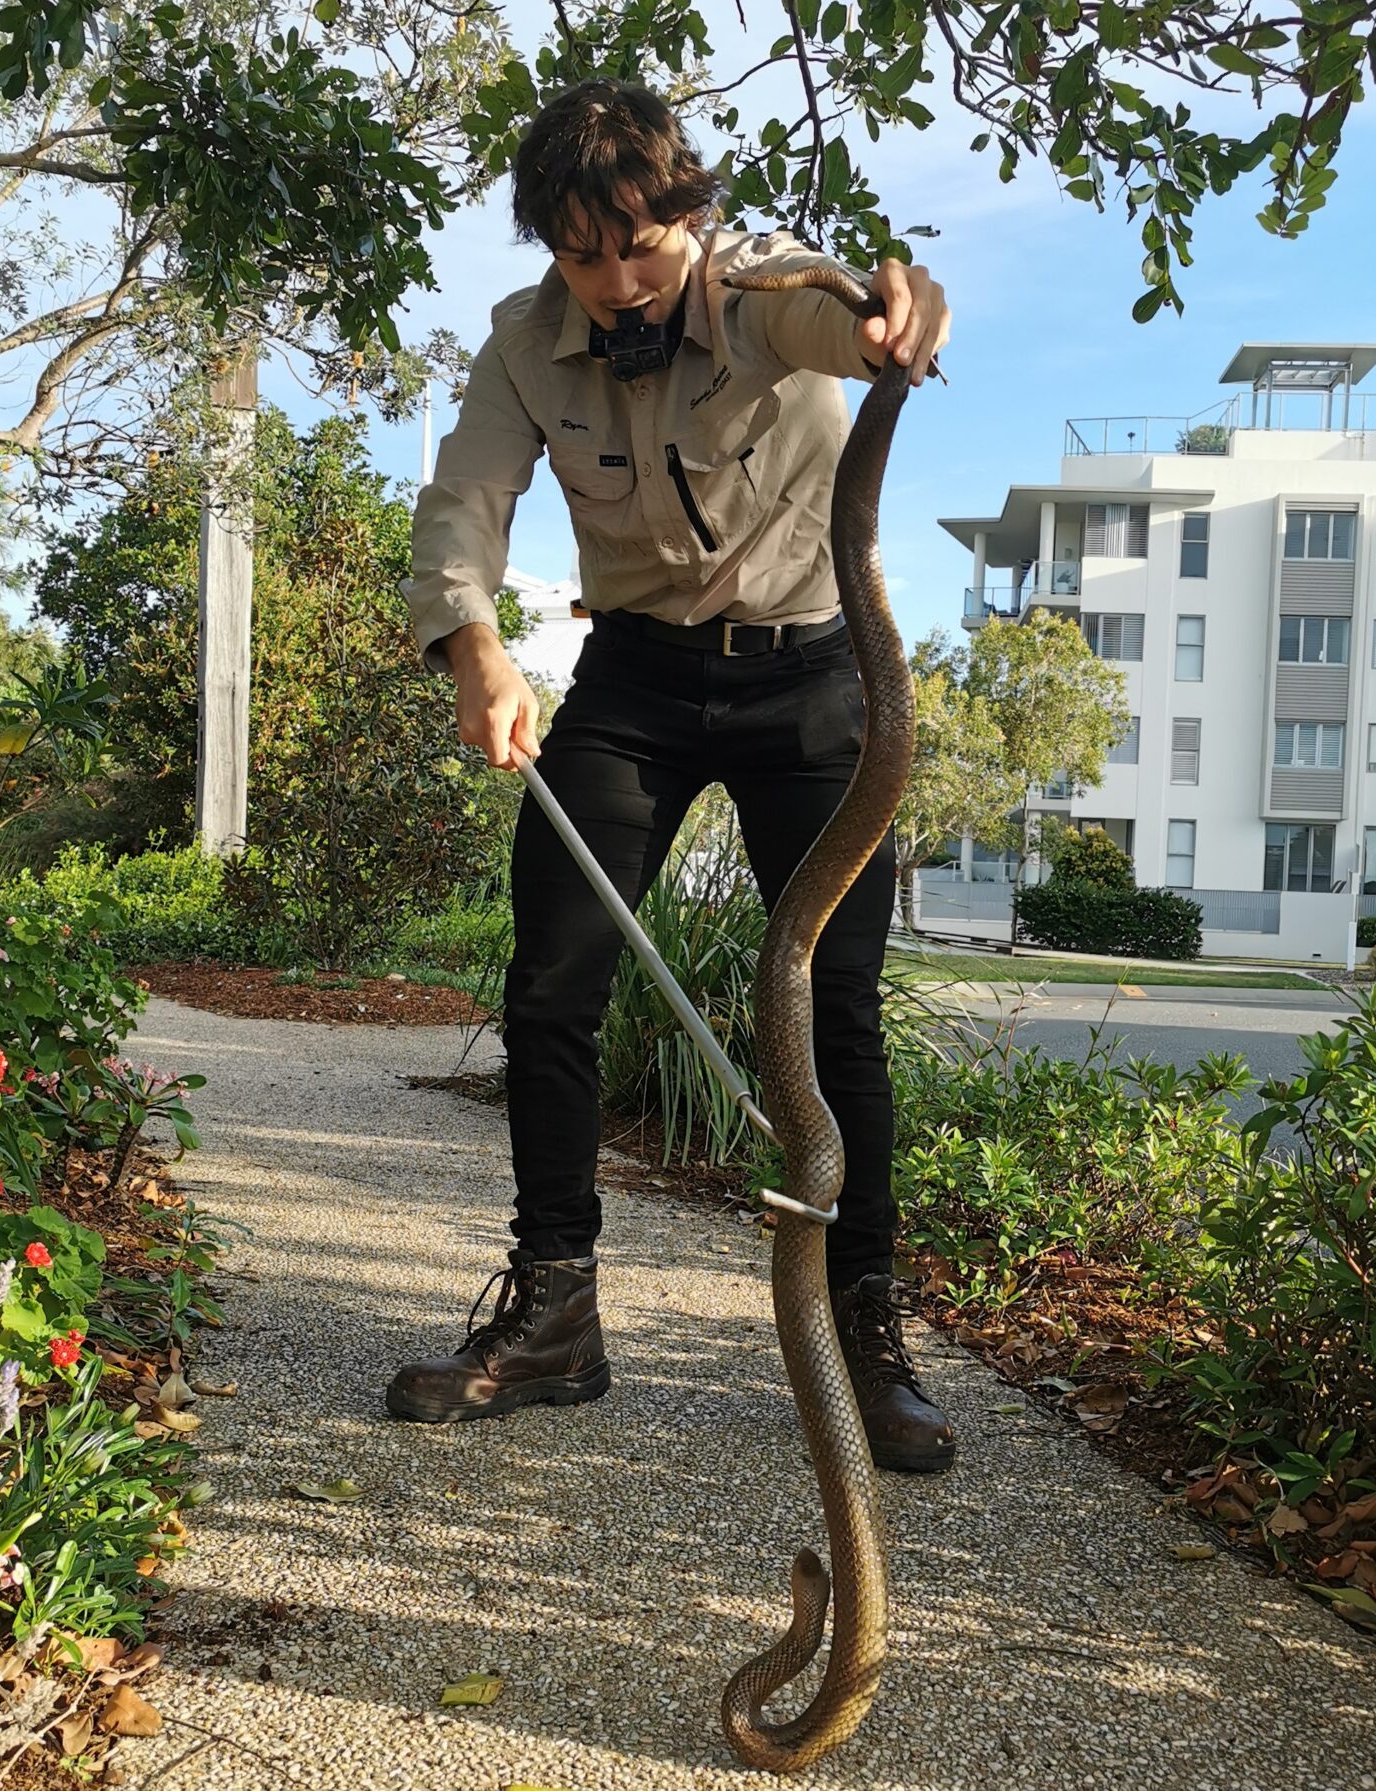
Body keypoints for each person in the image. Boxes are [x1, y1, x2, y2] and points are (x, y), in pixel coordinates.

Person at [387, 80, 956, 1473]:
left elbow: (854, 317)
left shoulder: (765, 289)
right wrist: (478, 651)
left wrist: (898, 319)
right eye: (583, 257)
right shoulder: (525, 344)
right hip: (635, 681)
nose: (618, 284)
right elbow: (467, 498)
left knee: (835, 1004)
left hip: (816, 677)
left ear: (689, 216)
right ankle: (556, 1317)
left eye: (640, 248)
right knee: (552, 984)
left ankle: (864, 1323)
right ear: (550, 253)